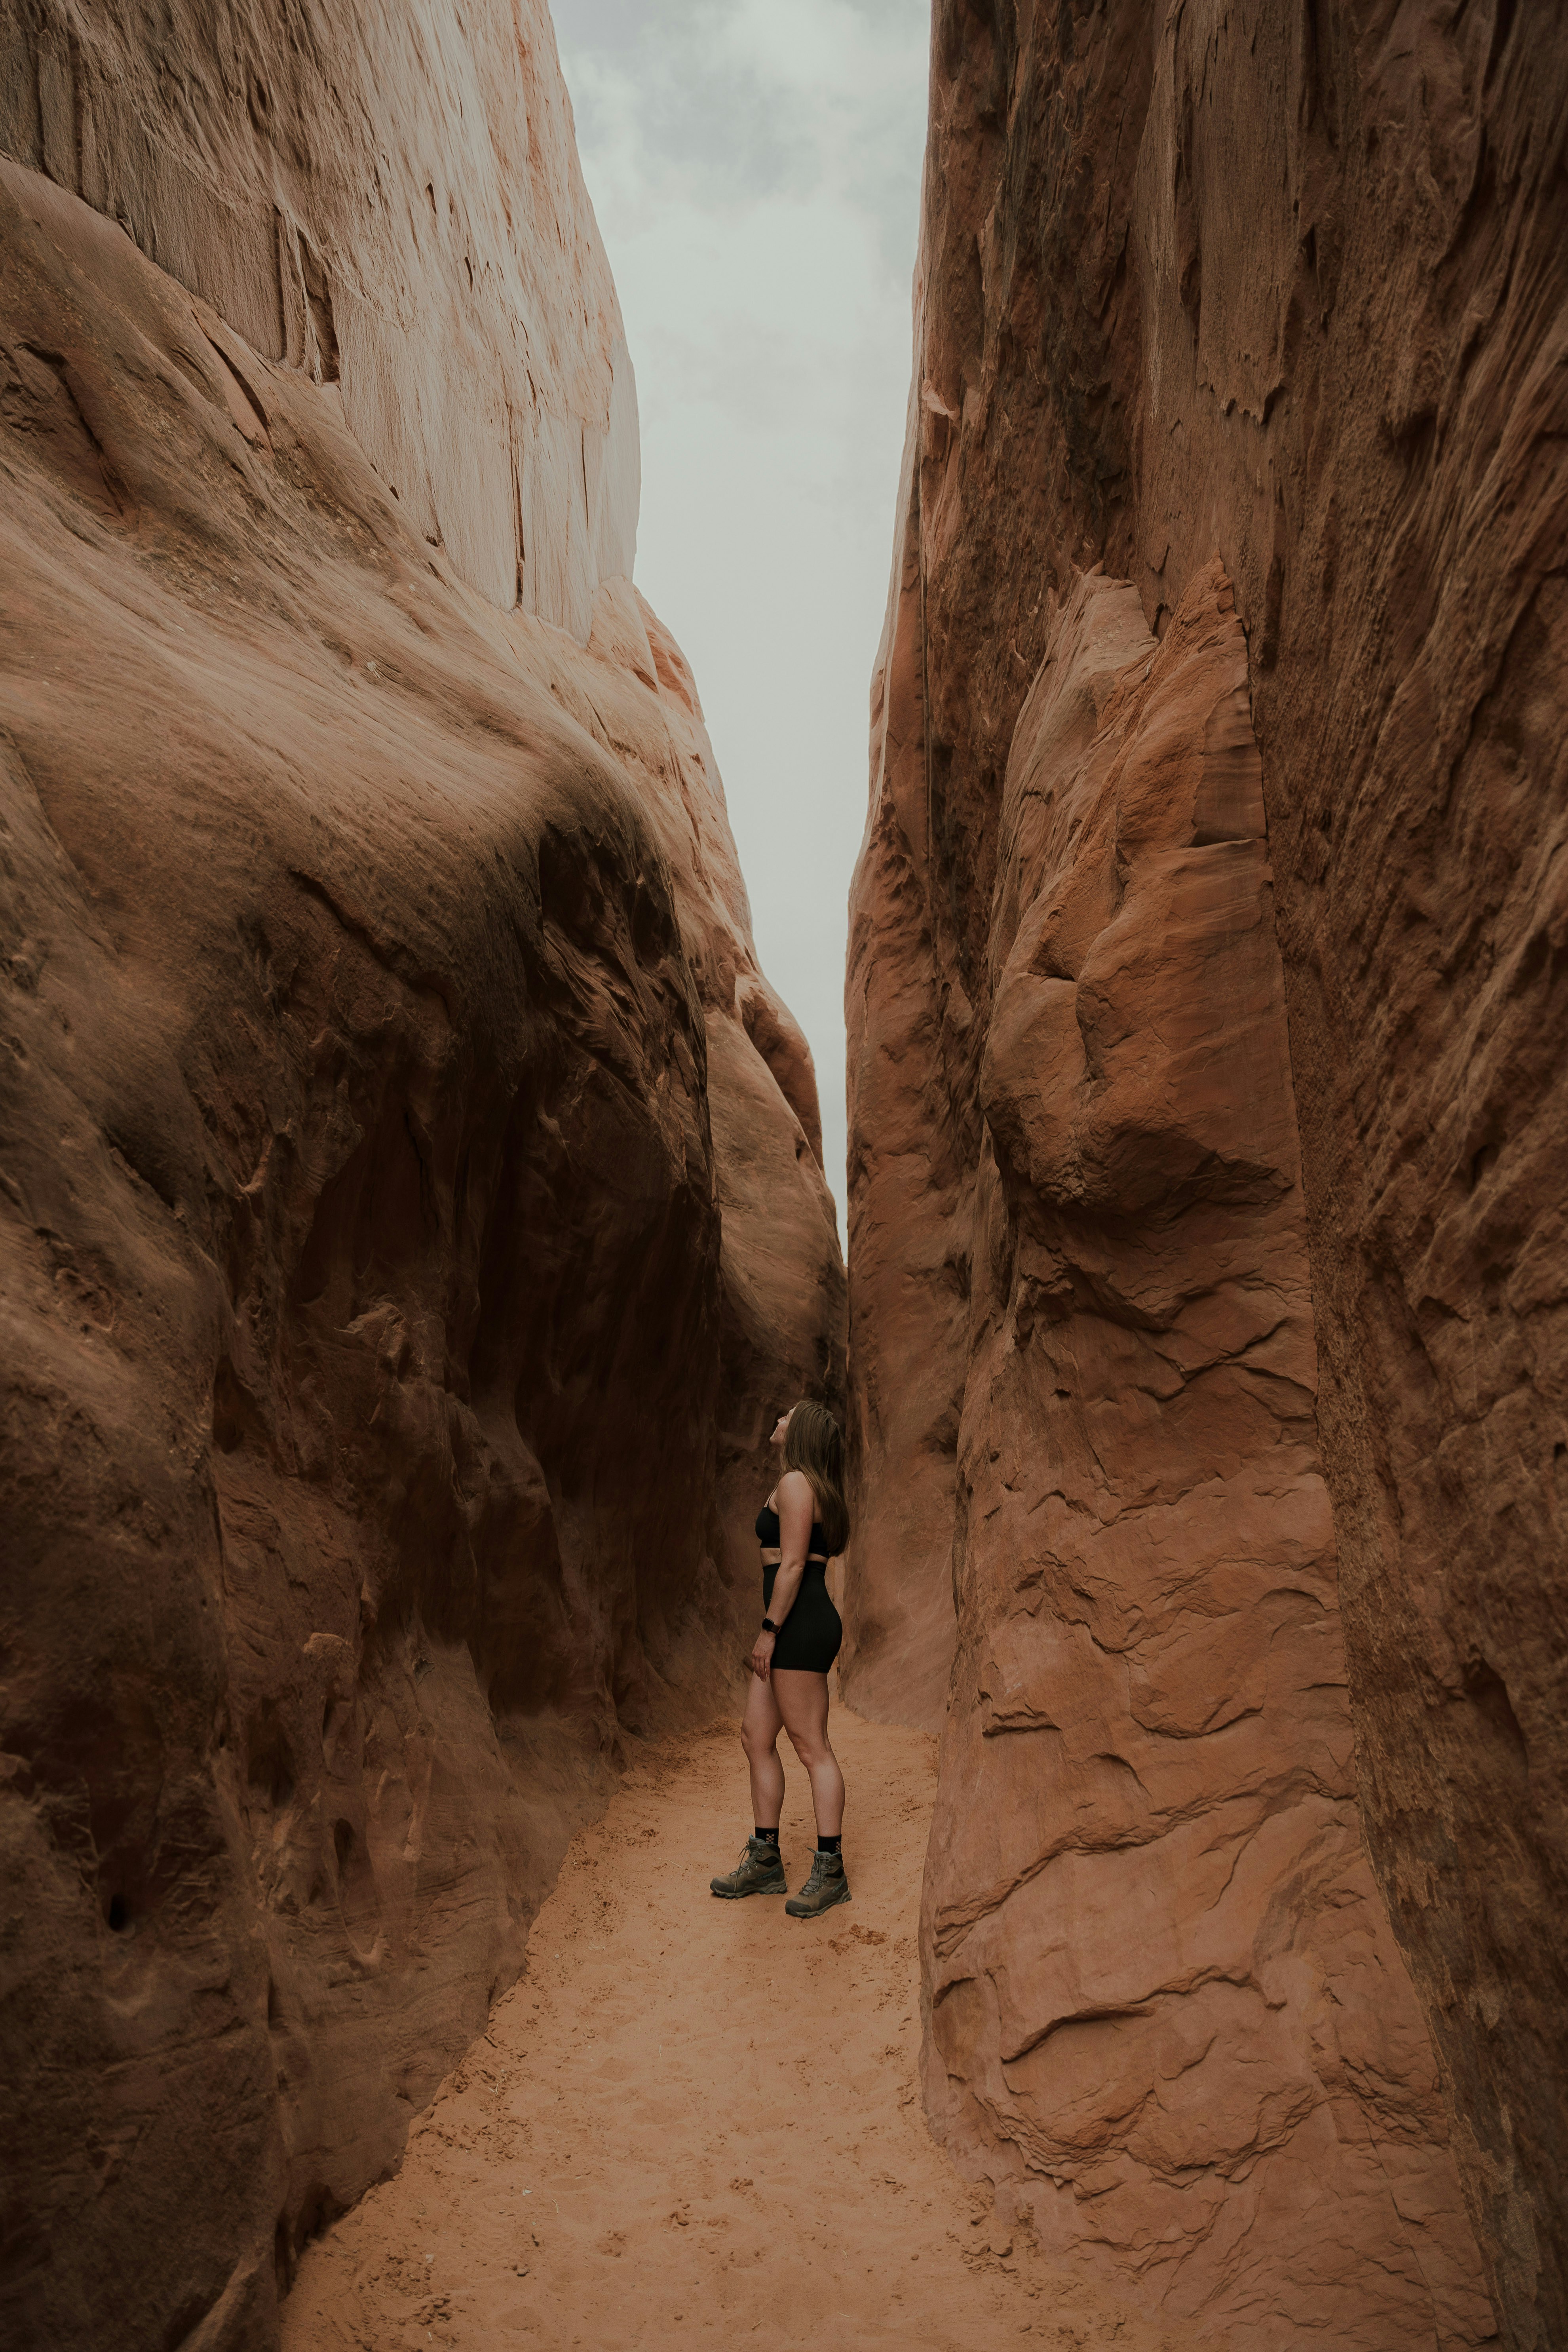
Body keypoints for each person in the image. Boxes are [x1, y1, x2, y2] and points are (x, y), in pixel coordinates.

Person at [710, 1399, 851, 1919]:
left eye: (788, 1413)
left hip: (798, 1623)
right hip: (794, 1620)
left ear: (803, 1429)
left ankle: (830, 1870)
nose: (778, 1417)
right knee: (756, 1736)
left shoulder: (795, 1483)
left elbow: (791, 1564)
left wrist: (769, 1630)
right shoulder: (802, 1483)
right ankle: (766, 1858)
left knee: (811, 1747)